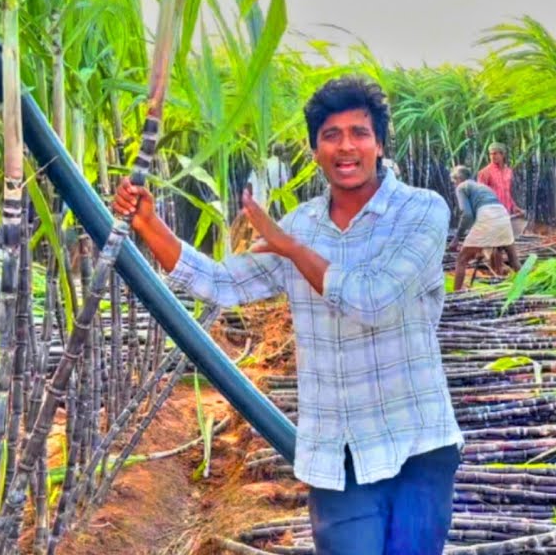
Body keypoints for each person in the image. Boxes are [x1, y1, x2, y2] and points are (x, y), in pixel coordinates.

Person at [114, 76, 462, 554]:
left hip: (417, 445)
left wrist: (293, 250)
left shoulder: (421, 211)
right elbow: (221, 282)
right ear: (315, 150)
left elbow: (374, 299)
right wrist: (149, 224)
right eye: (331, 135)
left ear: (379, 144)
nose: (346, 146)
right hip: (339, 456)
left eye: (359, 133)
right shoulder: (300, 224)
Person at [449, 165, 520, 290]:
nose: (455, 185)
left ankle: (455, 293)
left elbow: (467, 215)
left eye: (454, 182)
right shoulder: (483, 187)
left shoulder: (462, 187)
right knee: (514, 260)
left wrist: (456, 238)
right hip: (502, 215)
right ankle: (524, 287)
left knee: (461, 260)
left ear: (458, 179)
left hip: (487, 216)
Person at [477, 143, 525, 271]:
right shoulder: (484, 173)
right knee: (497, 247)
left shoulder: (508, 171)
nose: (493, 156)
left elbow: (506, 193)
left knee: (504, 245)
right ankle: (500, 271)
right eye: (490, 154)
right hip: (492, 215)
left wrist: (515, 207)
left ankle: (507, 271)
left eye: (495, 154)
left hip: (506, 215)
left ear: (502, 155)